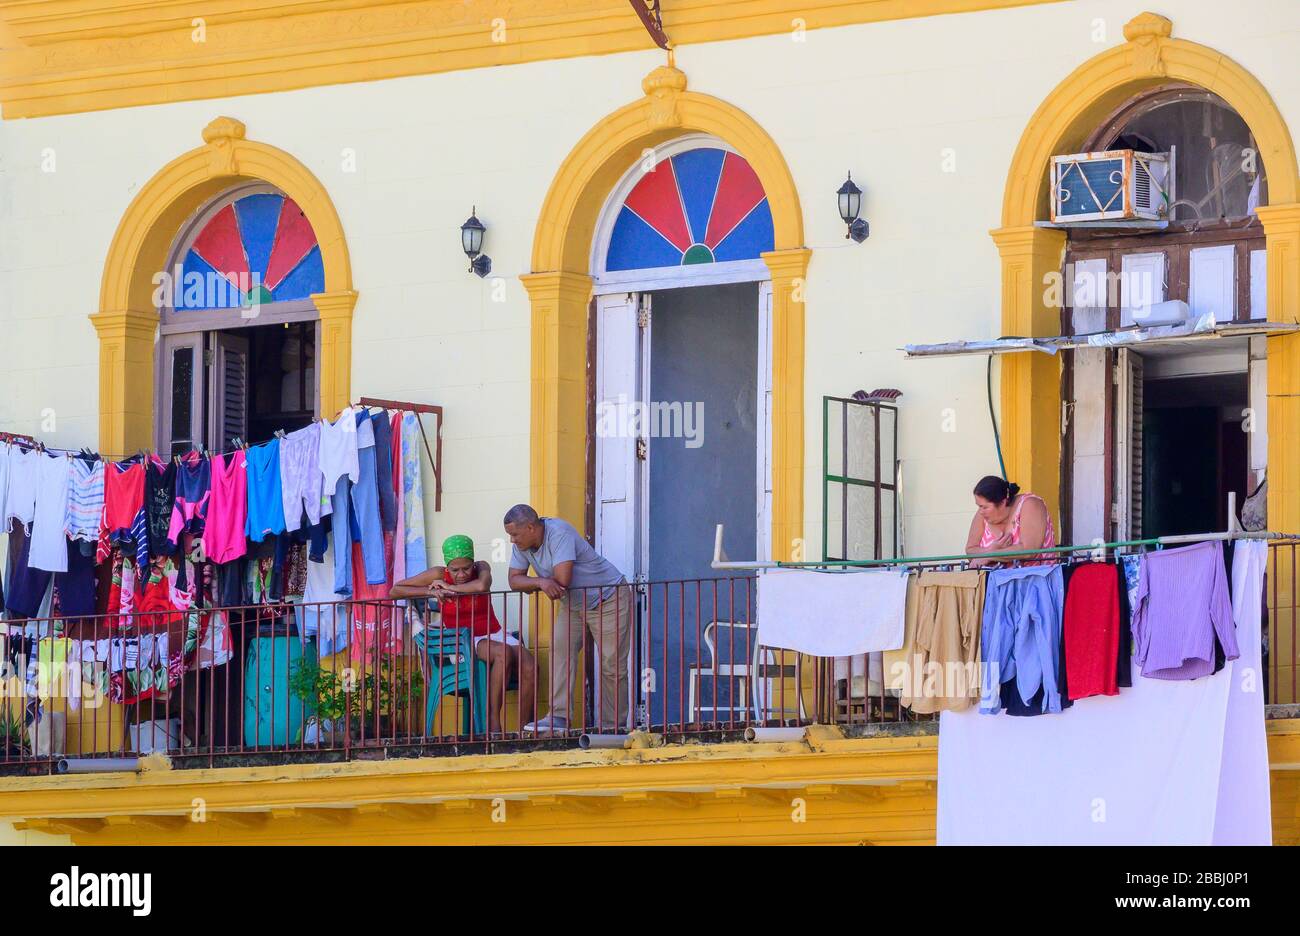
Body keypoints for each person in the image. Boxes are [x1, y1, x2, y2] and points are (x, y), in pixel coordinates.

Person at [503, 504, 632, 734]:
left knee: (612, 664)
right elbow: (514, 580)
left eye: (514, 534)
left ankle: (613, 727)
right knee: (559, 651)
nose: (512, 540)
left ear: (531, 527)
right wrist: (541, 582)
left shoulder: (558, 533)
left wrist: (538, 582)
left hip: (608, 598)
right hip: (574, 603)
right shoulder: (522, 545)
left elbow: (562, 579)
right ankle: (559, 717)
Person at [391, 534, 536, 733]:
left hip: (493, 632)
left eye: (466, 568)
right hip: (463, 640)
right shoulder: (438, 574)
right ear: (447, 566)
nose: (461, 574)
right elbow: (395, 590)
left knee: (530, 664)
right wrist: (430, 591)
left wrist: (449, 588)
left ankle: (525, 729)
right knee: (503, 653)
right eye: (455, 570)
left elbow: (482, 586)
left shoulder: (482, 568)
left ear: (473, 562)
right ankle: (492, 721)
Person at [965, 475, 1057, 566]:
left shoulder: (1030, 504)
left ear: (1002, 502)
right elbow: (970, 550)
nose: (980, 511)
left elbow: (1029, 550)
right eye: (979, 506)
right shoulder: (983, 513)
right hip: (994, 579)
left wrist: (989, 555)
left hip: (1035, 578)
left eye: (985, 507)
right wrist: (991, 549)